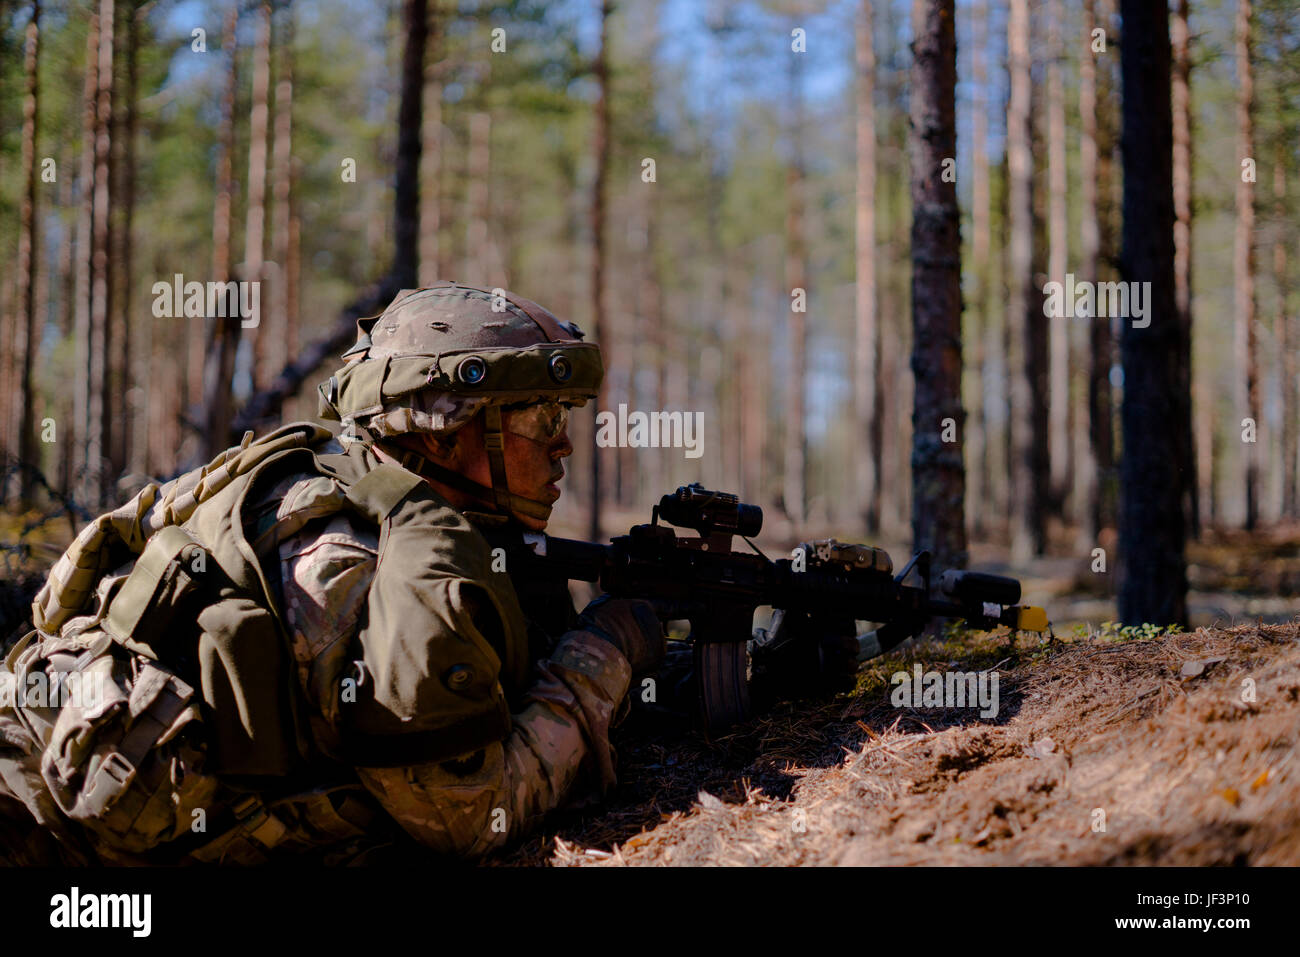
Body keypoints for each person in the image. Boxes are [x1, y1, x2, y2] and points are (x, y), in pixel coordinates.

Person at [0, 281, 666, 865]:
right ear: (440, 430)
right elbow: (467, 814)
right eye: (541, 417)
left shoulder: (324, 476)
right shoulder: (352, 567)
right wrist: (603, 654)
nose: (564, 444)